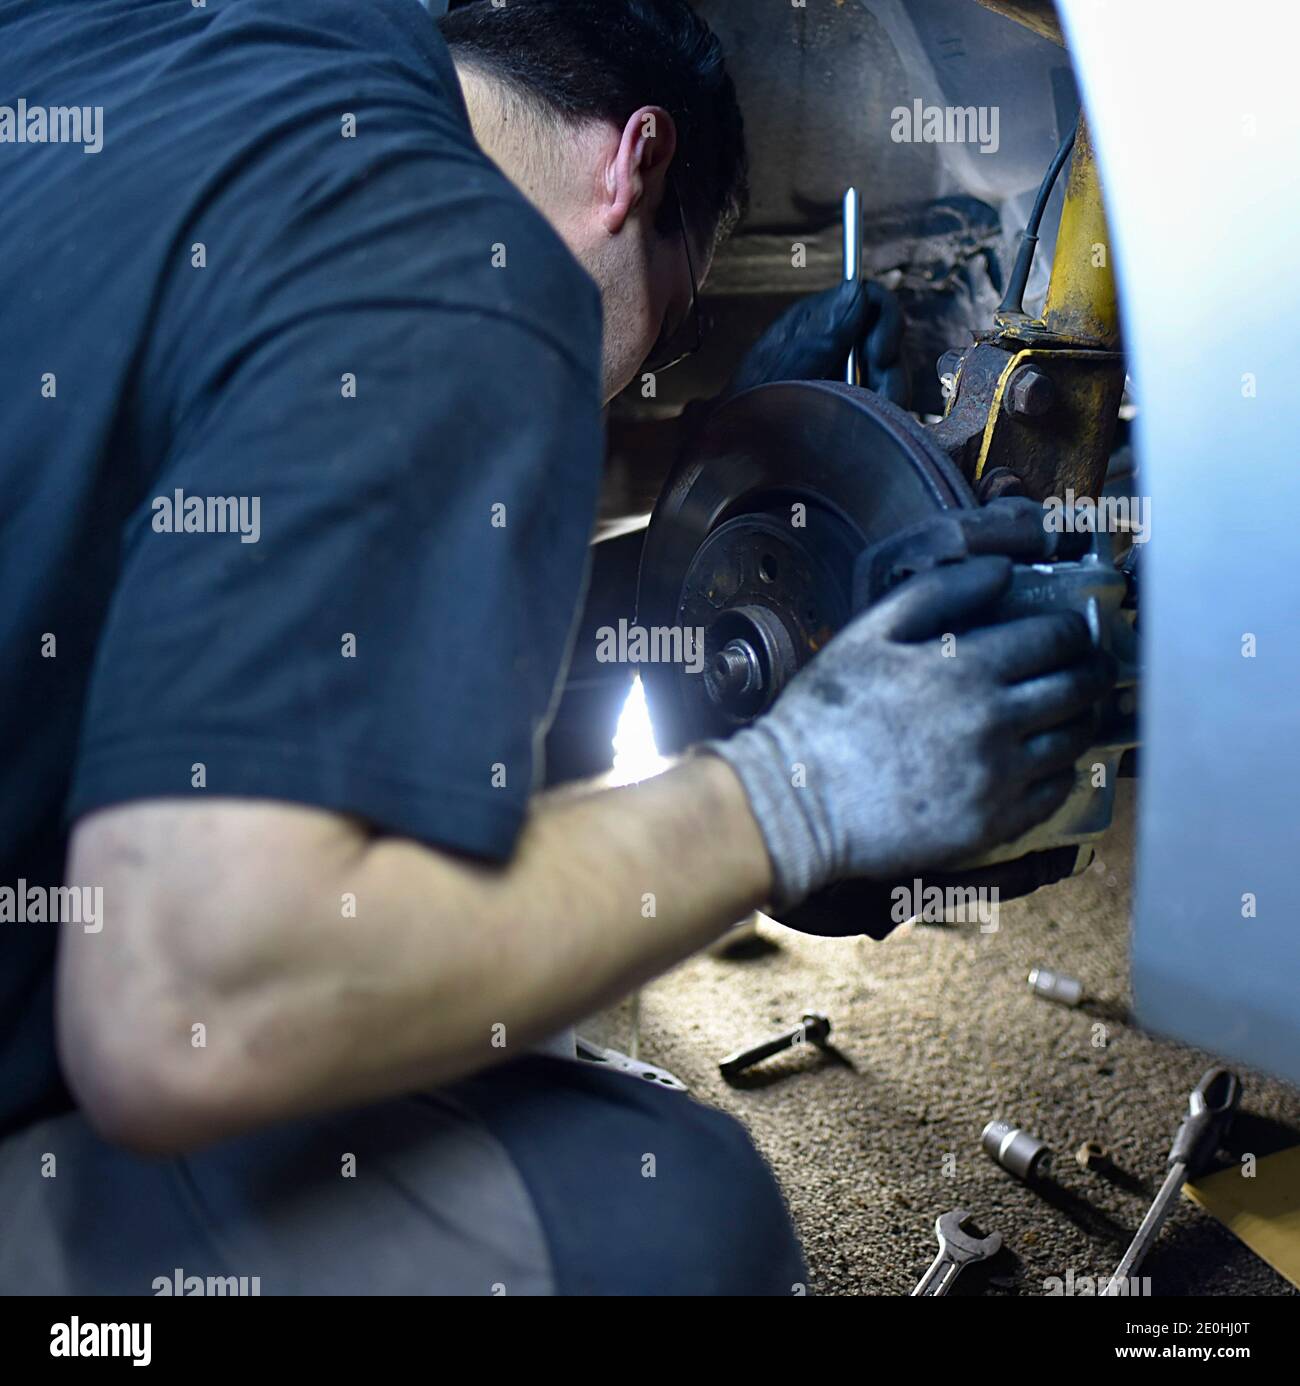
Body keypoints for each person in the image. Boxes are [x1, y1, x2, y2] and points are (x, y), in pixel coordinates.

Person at [0, 0, 1108, 1293]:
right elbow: (184, 1011)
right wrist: (799, 790)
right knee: (675, 1214)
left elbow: (344, 624)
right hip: (89, 1062)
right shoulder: (469, 245)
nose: (640, 373)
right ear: (635, 160)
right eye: (679, 327)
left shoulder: (162, 47)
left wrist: (731, 437)